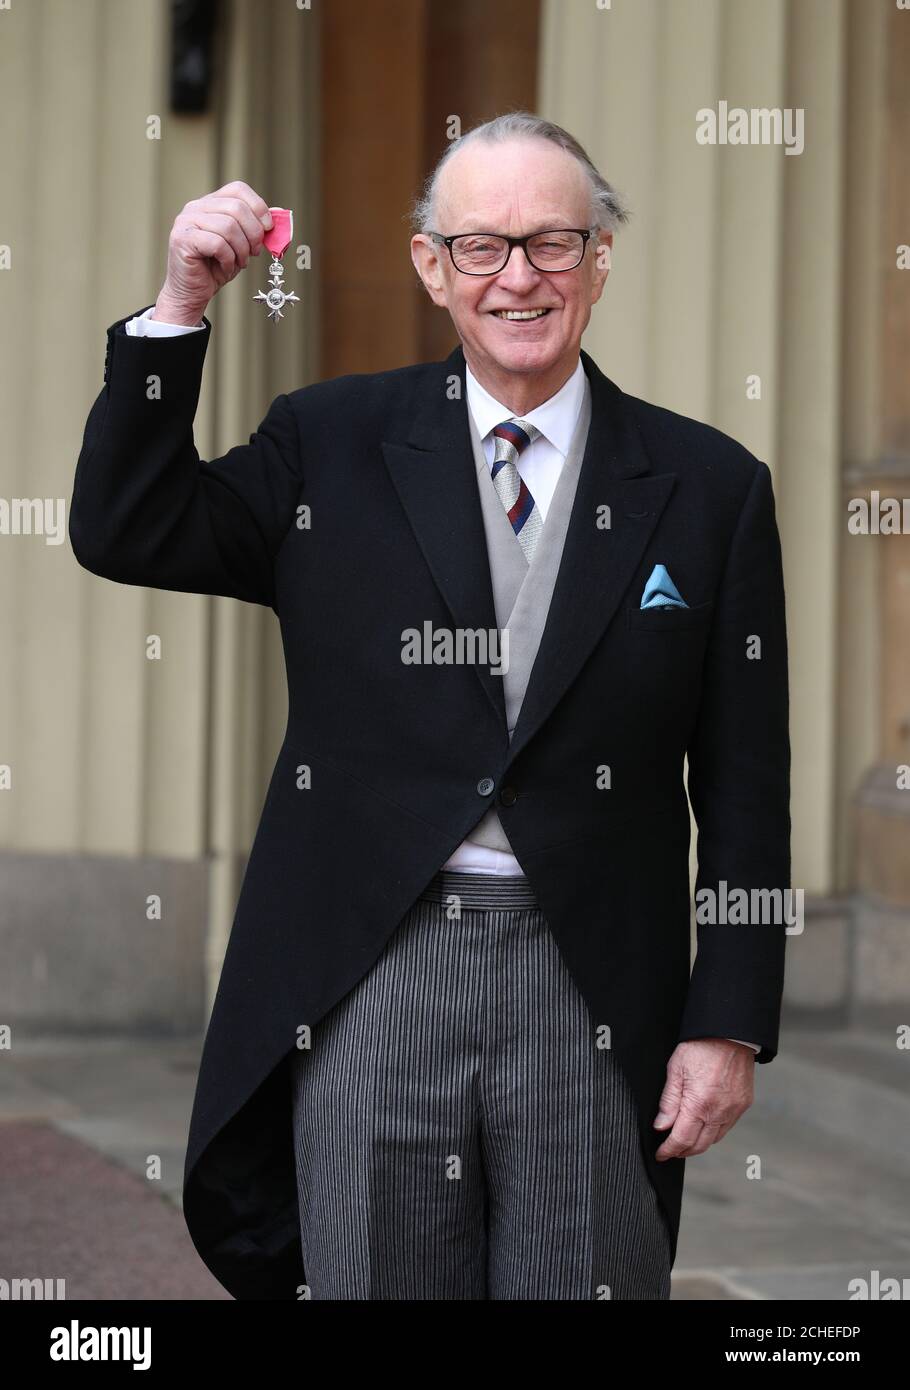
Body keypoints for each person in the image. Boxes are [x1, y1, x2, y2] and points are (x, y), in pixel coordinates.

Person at [69, 112, 790, 1300]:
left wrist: (730, 1019)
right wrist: (178, 308)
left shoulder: (711, 489)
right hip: (370, 975)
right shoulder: (328, 445)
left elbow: (746, 776)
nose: (519, 277)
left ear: (602, 258)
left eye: (554, 242)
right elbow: (126, 528)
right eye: (481, 246)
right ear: (430, 266)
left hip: (595, 991)